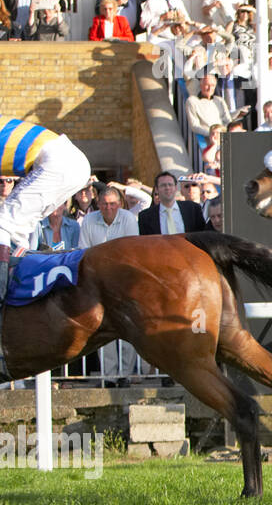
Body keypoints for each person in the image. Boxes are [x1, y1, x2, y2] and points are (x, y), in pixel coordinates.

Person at [0, 118, 92, 293]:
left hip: (57, 163)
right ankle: (20, 271)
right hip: (69, 161)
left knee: (3, 221)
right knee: (19, 226)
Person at [78, 185, 139, 386]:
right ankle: (110, 376)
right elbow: (83, 252)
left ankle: (125, 375)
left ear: (120, 204)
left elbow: (131, 253)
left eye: (113, 204)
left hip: (123, 282)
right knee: (104, 330)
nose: (109, 207)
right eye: (104, 204)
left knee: (127, 328)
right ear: (98, 204)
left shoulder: (128, 219)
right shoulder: (88, 220)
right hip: (98, 283)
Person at [137, 170, 206, 234]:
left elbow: (202, 235)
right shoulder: (145, 216)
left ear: (176, 188)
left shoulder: (193, 209)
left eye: (170, 184)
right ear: (157, 189)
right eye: (163, 185)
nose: (167, 188)